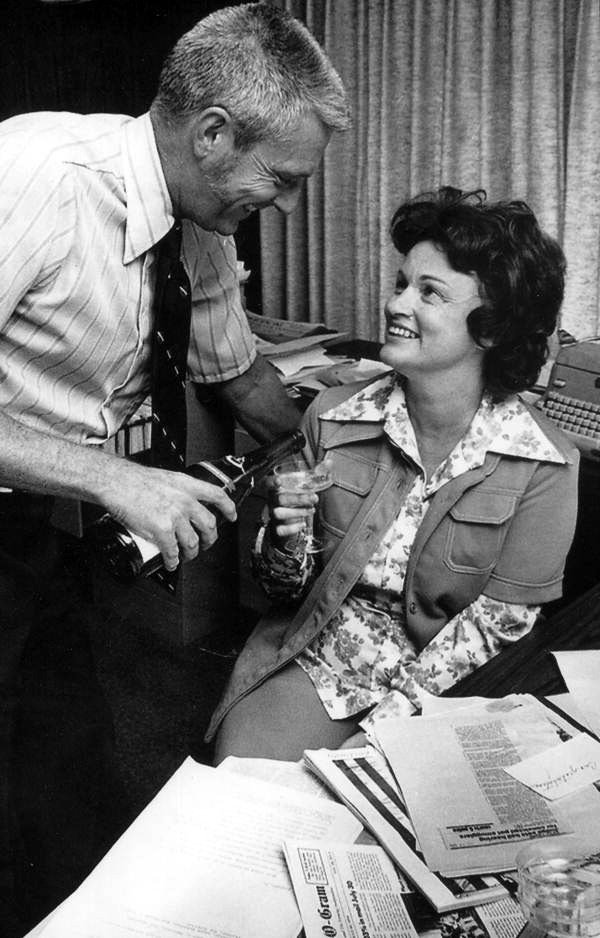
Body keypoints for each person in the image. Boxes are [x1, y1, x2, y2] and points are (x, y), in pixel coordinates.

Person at [0, 4, 349, 934]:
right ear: (212, 133)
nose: (285, 206)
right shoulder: (35, 178)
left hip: (37, 516)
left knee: (70, 765)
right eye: (280, 179)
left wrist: (352, 431)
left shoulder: (198, 225)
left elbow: (237, 374)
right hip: (36, 496)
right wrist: (114, 478)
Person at [208, 186, 580, 763]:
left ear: (492, 328)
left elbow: (495, 628)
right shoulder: (330, 416)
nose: (396, 304)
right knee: (242, 777)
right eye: (401, 283)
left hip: (455, 688)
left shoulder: (546, 464)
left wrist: (385, 733)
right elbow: (282, 591)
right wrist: (285, 540)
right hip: (328, 656)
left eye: (429, 292)